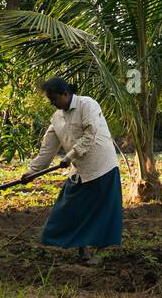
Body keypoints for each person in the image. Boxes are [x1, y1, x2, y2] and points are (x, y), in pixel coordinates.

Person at [23, 77, 123, 266]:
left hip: (101, 166)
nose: (52, 103)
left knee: (99, 212)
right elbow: (47, 149)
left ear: (66, 93)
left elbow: (90, 134)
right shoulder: (57, 117)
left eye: (54, 98)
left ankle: (94, 251)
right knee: (69, 207)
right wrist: (32, 172)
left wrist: (69, 157)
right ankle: (81, 247)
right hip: (79, 169)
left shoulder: (88, 105)